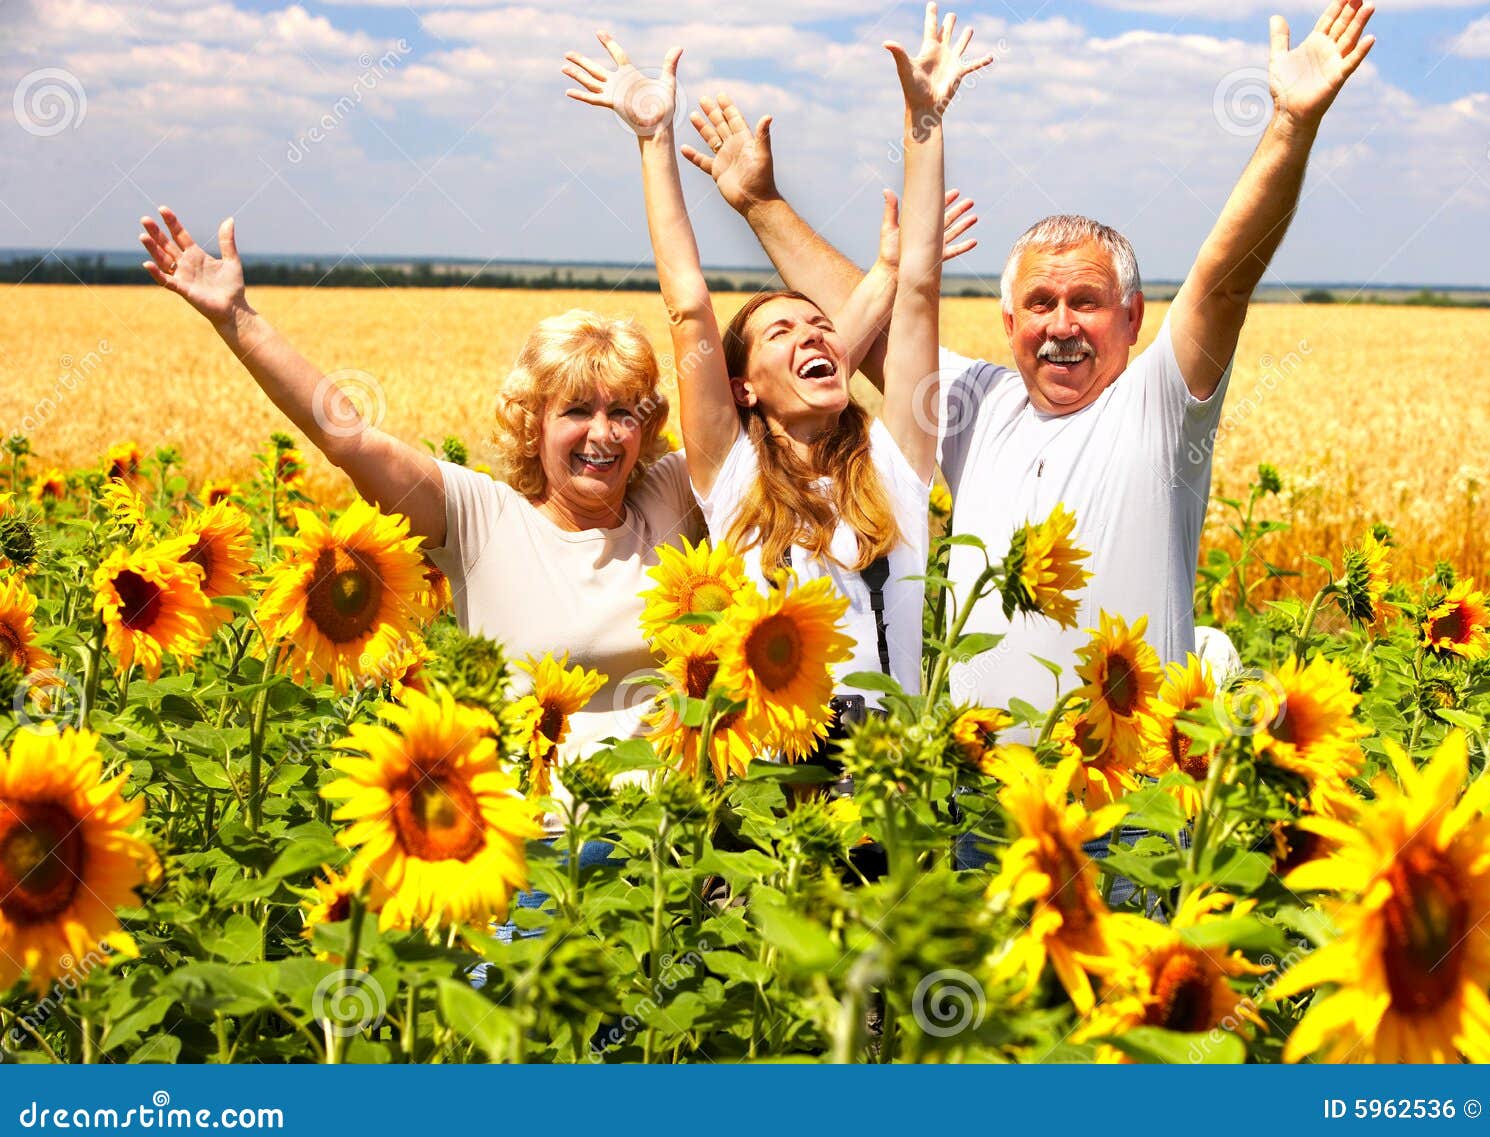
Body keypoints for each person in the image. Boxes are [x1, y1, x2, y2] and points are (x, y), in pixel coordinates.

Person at [683, 0, 1379, 715]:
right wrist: (762, 205)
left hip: (1132, 802)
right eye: (1040, 303)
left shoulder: (1161, 403)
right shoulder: (977, 407)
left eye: (1088, 301)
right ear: (1009, 319)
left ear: (1135, 317)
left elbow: (1227, 275)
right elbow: (867, 332)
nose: (1062, 326)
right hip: (981, 809)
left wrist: (1291, 126)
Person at [135, 207, 704, 821]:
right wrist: (237, 319)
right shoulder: (484, 520)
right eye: (576, 411)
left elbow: (747, 403)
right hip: (533, 862)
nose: (603, 434)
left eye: (623, 412)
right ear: (532, 424)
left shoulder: (671, 498)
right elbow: (348, 438)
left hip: (659, 867)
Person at [561, 5, 992, 729]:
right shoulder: (733, 479)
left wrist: (925, 120)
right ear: (744, 389)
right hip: (772, 808)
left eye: (823, 326)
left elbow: (917, 290)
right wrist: (653, 138)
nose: (813, 335)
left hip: (895, 797)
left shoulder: (897, 464)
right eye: (780, 332)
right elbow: (687, 308)